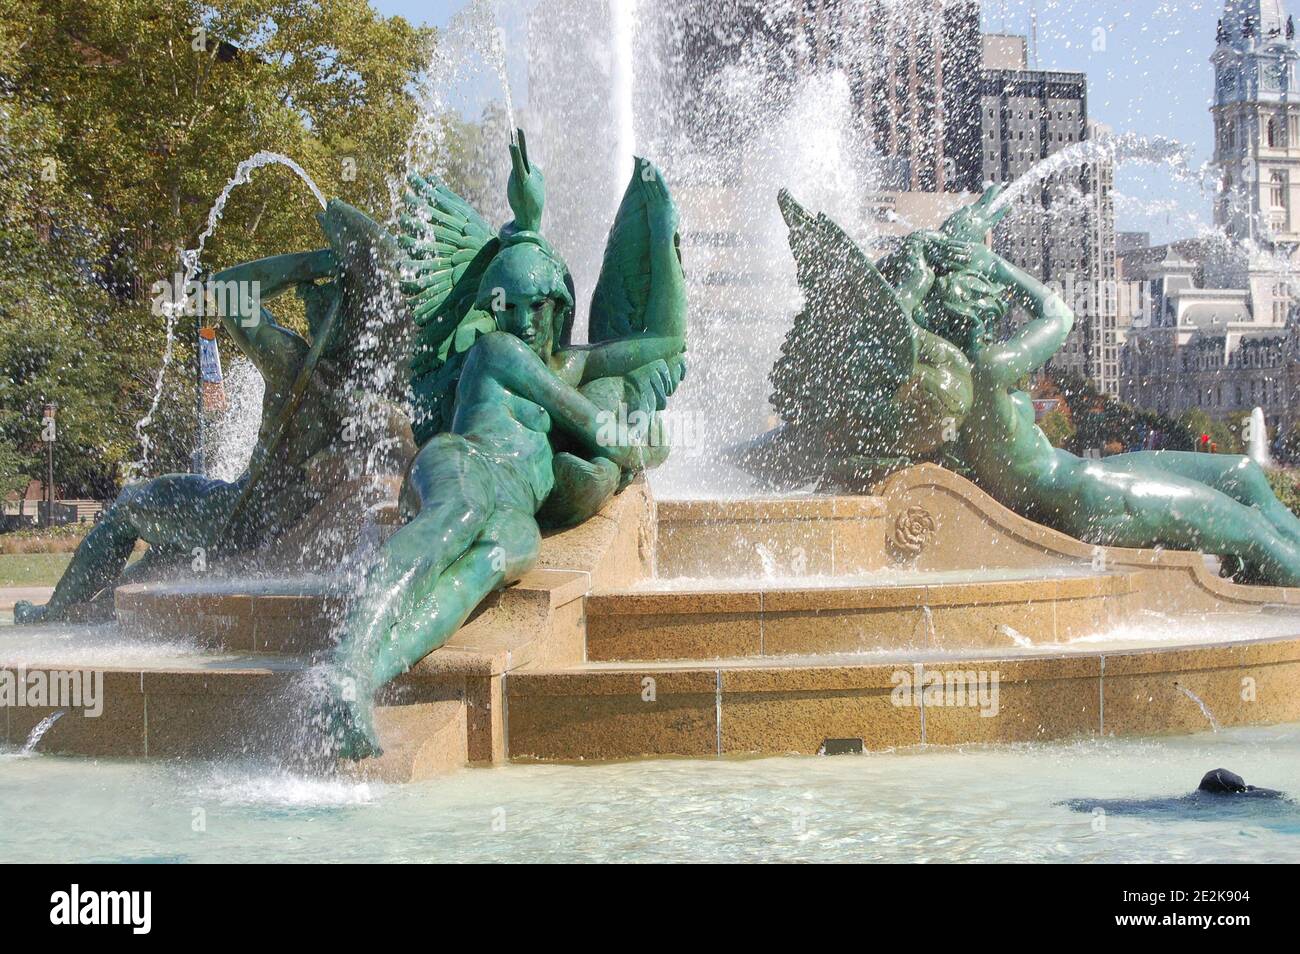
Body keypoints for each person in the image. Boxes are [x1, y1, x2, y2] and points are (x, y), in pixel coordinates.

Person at [323, 138, 688, 758]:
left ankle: (365, 675)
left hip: (517, 507)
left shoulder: (569, 365)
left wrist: (662, 235)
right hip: (464, 462)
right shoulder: (499, 353)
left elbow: (664, 343)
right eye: (508, 307)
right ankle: (347, 654)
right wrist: (642, 450)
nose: (521, 320)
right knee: (454, 520)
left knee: (498, 557)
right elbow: (596, 428)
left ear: (559, 308)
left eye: (535, 307)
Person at [931, 238, 1300, 587]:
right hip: (1090, 497)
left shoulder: (953, 373)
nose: (1001, 309)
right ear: (978, 315)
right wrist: (998, 266)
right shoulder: (990, 368)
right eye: (993, 301)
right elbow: (1058, 315)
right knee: (1251, 532)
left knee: (1244, 474)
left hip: (1087, 475)